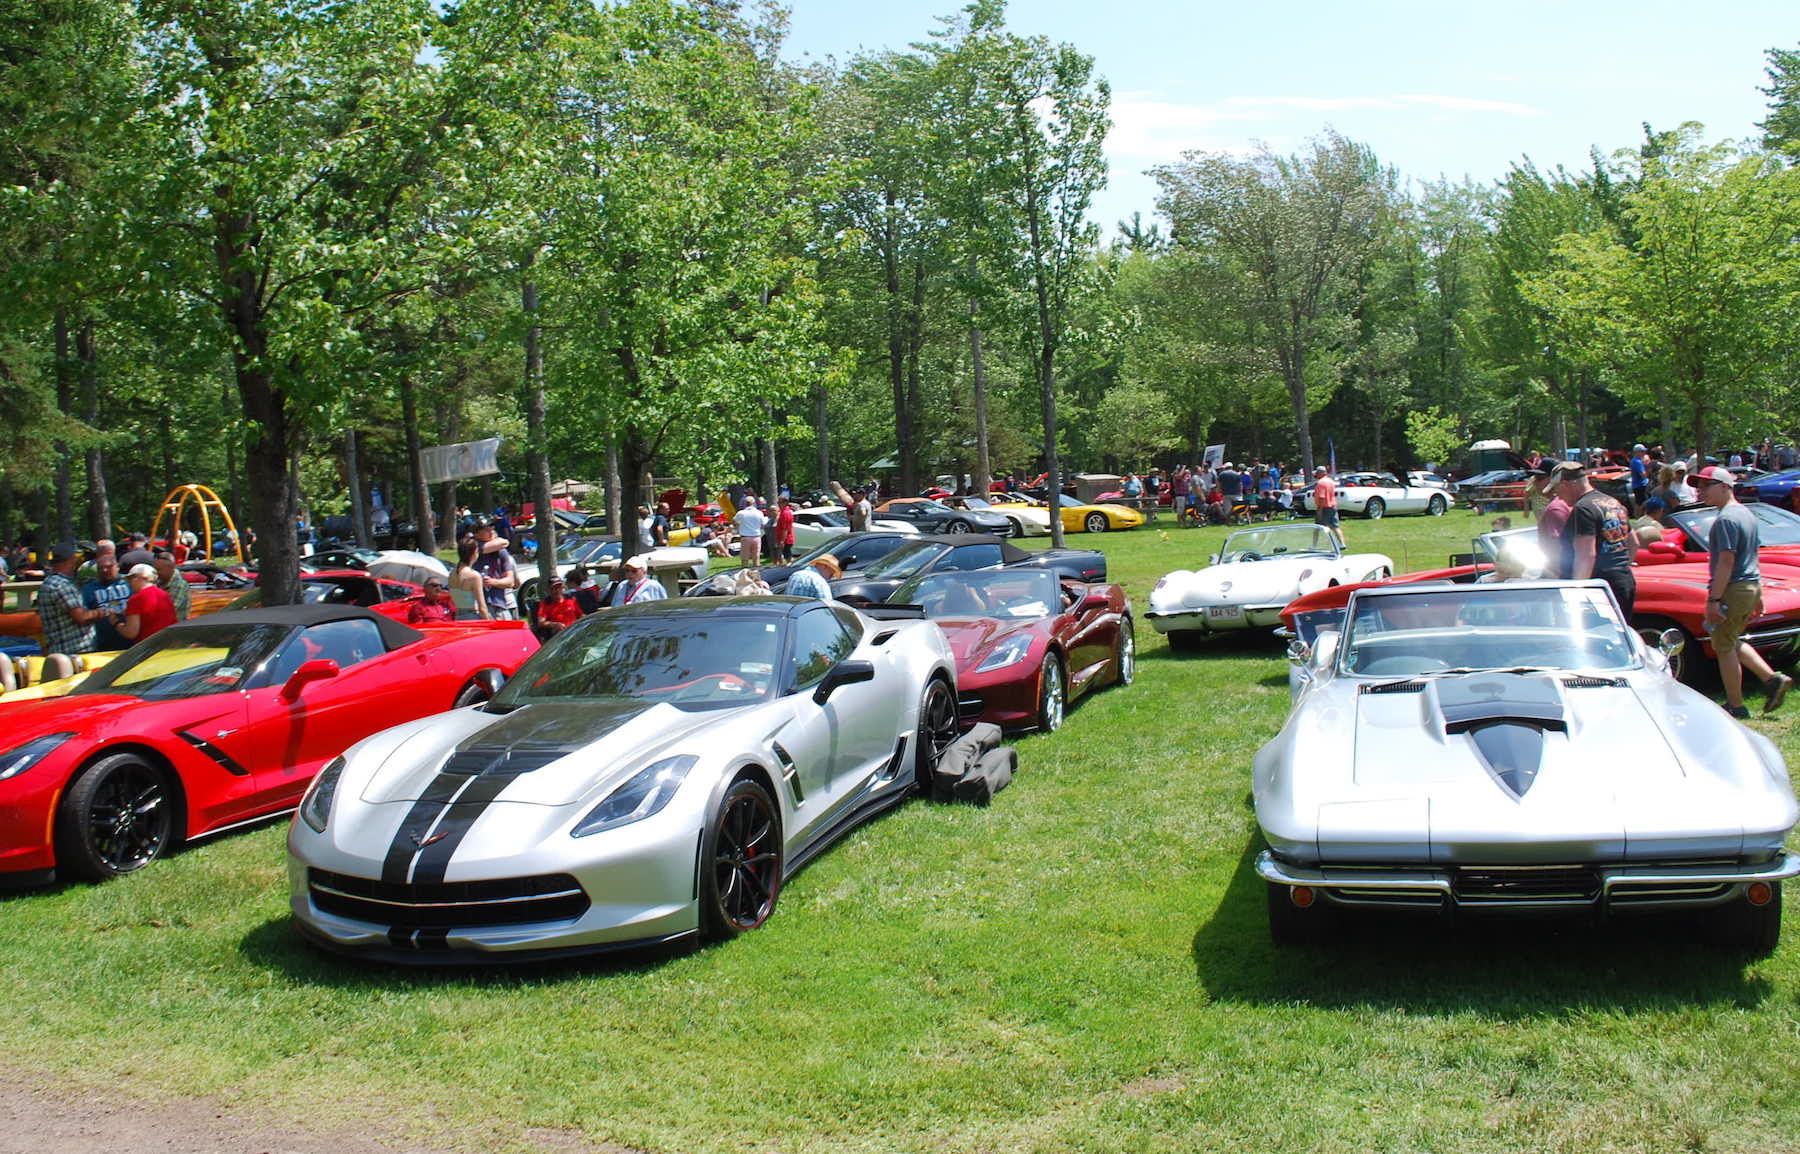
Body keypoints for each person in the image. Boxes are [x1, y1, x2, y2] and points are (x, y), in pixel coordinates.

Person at [1693, 465, 1792, 718]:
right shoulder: (1746, 514)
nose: (1701, 491)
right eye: (1698, 486)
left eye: (1707, 485)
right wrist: (1756, 593)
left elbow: (1726, 561)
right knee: (1731, 638)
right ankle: (1772, 679)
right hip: (1748, 586)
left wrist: (1714, 598)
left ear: (1726, 486)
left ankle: (1736, 706)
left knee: (1723, 646)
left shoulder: (1726, 519)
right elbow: (1753, 557)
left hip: (1733, 588)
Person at [1551, 461, 1635, 617]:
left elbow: (1586, 555)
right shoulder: (1612, 502)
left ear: (1565, 484)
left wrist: (1577, 593)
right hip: (1623, 580)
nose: (1558, 496)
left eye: (1556, 489)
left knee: (1596, 637)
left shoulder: (1583, 509)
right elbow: (1633, 542)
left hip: (1597, 587)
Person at [37, 542, 107, 660]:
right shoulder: (62, 585)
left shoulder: (50, 582)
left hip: (61, 651)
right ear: (71, 559)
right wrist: (101, 612)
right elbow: (81, 617)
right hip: (74, 652)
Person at [471, 517, 519, 620]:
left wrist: (493, 582)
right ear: (477, 534)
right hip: (476, 608)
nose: (491, 531)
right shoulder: (471, 548)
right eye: (486, 529)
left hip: (499, 606)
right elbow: (503, 542)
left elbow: (510, 582)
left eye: (491, 528)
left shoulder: (501, 552)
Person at [82, 554, 132, 651]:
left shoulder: (129, 582)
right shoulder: (88, 589)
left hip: (131, 639)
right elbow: (84, 615)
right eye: (101, 568)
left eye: (109, 567)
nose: (105, 570)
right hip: (104, 643)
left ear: (117, 566)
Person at [116, 564, 177, 644]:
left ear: (139, 578)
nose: (129, 583)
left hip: (149, 648)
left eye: (130, 578)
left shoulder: (135, 599)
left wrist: (115, 622)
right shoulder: (164, 595)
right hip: (170, 644)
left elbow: (131, 633)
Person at [1531, 466, 1571, 578]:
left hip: (1557, 571)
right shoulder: (1565, 503)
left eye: (1539, 478)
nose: (1535, 482)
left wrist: (1558, 576)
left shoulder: (1556, 508)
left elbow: (1558, 545)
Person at [451, 538, 490, 620]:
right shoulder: (474, 576)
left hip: (457, 617)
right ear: (473, 554)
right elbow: (482, 607)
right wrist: (489, 622)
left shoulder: (452, 573)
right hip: (472, 617)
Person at [152, 549, 191, 621]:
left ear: (170, 568)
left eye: (158, 570)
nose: (155, 573)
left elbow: (169, 610)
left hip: (174, 628)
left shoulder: (179, 585)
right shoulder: (159, 581)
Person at [734, 498, 767, 569]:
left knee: (745, 559)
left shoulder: (741, 513)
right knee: (756, 558)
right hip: (756, 537)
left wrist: (738, 527)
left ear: (745, 503)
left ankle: (745, 574)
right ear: (754, 503)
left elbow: (734, 521)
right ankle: (757, 574)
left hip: (745, 537)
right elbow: (763, 524)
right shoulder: (759, 513)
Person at [1311, 466, 1339, 533]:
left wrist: (1319, 510)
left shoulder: (1320, 483)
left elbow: (1321, 497)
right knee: (1335, 527)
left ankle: (1315, 543)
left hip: (1324, 508)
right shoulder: (1330, 481)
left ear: (1320, 473)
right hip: (1332, 507)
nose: (1316, 475)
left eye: (1317, 473)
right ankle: (1342, 543)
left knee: (1318, 528)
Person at [1628, 443, 1651, 514]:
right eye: (1642, 451)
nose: (1644, 453)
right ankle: (1641, 516)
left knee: (1638, 503)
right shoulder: (1637, 462)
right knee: (1642, 503)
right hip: (1641, 485)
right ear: (1637, 452)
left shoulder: (1634, 461)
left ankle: (1638, 516)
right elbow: (1643, 475)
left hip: (1637, 485)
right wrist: (1648, 468)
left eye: (1644, 451)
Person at [774, 497, 797, 565]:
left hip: (786, 540)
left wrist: (782, 541)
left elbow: (785, 529)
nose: (778, 504)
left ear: (785, 503)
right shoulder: (783, 512)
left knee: (788, 557)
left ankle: (791, 567)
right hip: (783, 539)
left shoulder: (785, 513)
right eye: (778, 502)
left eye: (779, 502)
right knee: (783, 555)